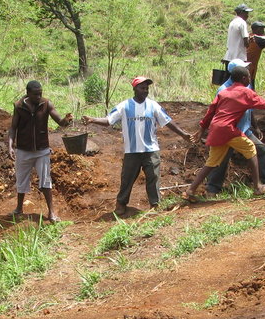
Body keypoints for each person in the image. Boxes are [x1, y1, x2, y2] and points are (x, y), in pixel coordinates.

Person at [82, 76, 194, 216]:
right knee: (127, 179)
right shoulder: (125, 106)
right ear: (134, 89)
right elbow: (109, 121)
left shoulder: (153, 106)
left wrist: (183, 134)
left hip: (151, 150)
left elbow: (168, 121)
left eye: (147, 88)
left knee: (153, 177)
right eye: (142, 88)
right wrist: (92, 120)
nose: (145, 91)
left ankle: (155, 204)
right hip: (132, 151)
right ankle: (121, 204)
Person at [185, 65, 265, 199]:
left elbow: (210, 113)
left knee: (212, 162)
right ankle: (258, 186)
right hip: (228, 129)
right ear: (244, 78)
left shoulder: (223, 92)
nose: (250, 79)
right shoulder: (245, 92)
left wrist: (202, 130)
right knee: (250, 148)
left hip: (216, 129)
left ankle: (190, 190)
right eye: (249, 76)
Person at [205, 60, 265, 195]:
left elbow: (249, 107)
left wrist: (255, 126)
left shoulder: (245, 86)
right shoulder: (224, 90)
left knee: (261, 149)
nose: (248, 70)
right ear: (237, 73)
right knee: (220, 161)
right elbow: (216, 112)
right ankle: (212, 189)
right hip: (229, 131)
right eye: (245, 69)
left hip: (244, 130)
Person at [8, 80, 73, 223]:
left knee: (45, 181)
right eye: (36, 94)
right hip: (23, 150)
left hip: (42, 150)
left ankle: (51, 212)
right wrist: (10, 145)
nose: (39, 97)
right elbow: (13, 128)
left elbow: (60, 122)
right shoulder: (19, 106)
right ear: (28, 93)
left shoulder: (46, 104)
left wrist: (66, 120)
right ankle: (19, 208)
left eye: (40, 94)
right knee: (21, 180)